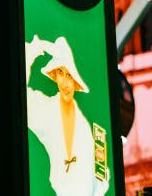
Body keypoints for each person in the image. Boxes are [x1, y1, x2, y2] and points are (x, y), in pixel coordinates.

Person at [25, 35, 110, 196]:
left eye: (69, 75)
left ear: (75, 80)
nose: (65, 82)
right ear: (55, 76)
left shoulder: (85, 125)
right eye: (60, 73)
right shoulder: (48, 109)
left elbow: (98, 175)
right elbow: (22, 98)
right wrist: (31, 52)